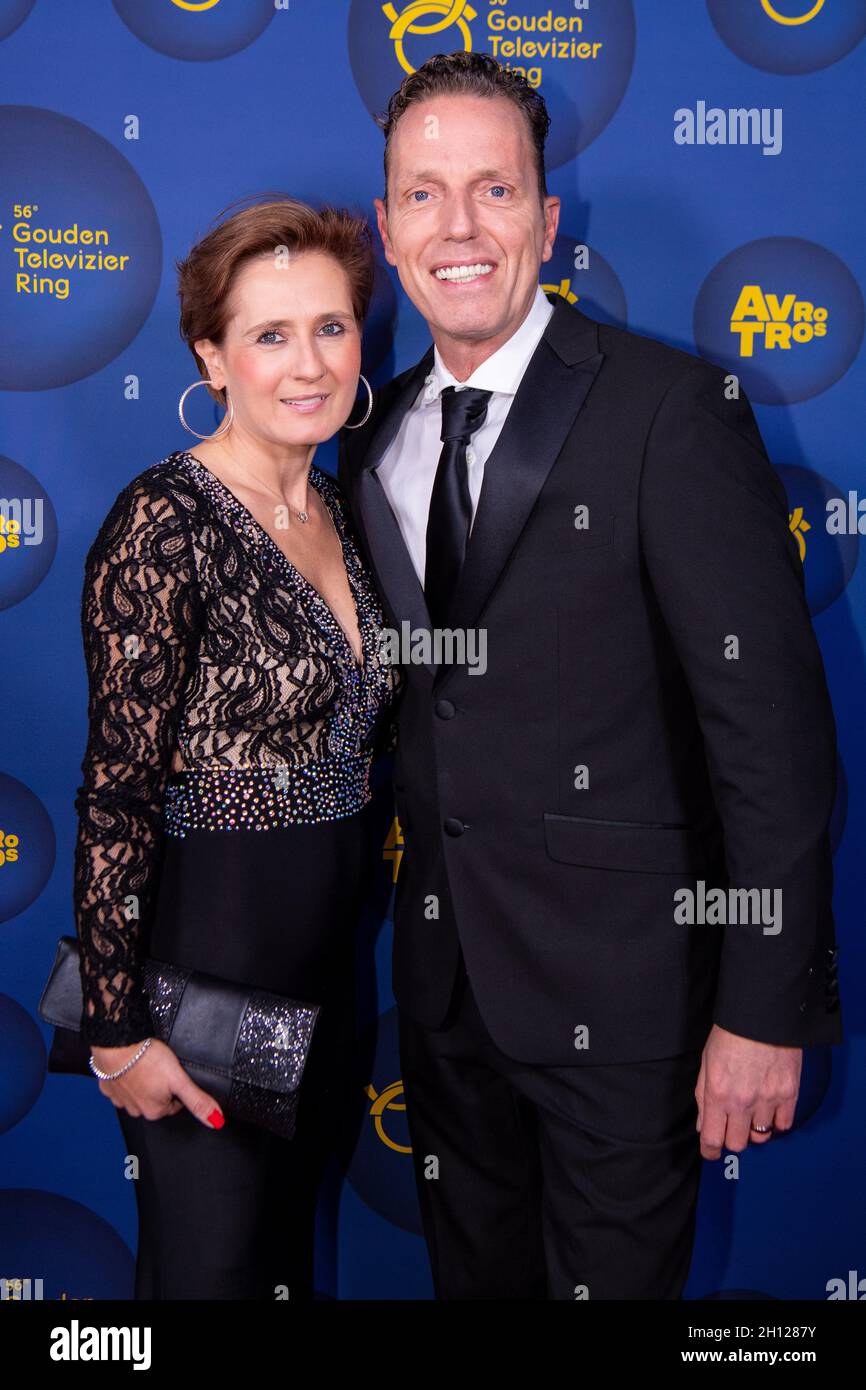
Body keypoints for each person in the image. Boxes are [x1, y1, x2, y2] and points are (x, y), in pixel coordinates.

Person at [338, 51, 843, 1299]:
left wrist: (763, 1007)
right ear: (386, 224)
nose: (458, 228)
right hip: (445, 1007)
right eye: (423, 194)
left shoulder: (667, 413)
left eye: (492, 191)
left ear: (547, 221)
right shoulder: (366, 437)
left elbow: (769, 738)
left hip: (629, 1011)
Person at [72, 196, 403, 1300]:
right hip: (208, 987)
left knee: (282, 1277)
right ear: (210, 356)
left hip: (329, 984)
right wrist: (117, 1029)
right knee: (208, 1283)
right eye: (268, 335)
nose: (306, 364)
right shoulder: (163, 521)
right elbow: (116, 789)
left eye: (329, 326)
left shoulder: (348, 514)